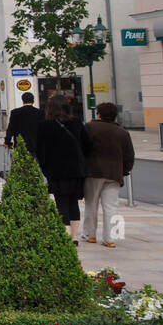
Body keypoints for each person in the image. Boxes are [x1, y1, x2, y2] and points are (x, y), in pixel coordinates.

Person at [33, 94, 93, 244]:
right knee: (74, 203)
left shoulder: (44, 126)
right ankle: (74, 237)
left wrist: (45, 167)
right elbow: (88, 145)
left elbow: (40, 150)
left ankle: (65, 237)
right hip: (76, 170)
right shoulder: (77, 122)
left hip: (56, 170)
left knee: (61, 203)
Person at [82, 102, 134, 248]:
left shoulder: (90, 127)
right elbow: (129, 155)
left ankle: (90, 234)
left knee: (91, 204)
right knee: (111, 206)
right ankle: (110, 238)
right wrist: (124, 170)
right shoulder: (122, 132)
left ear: (98, 114)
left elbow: (82, 147)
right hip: (114, 173)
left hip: (94, 171)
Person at [4, 91, 43, 160]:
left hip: (20, 145)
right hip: (35, 146)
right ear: (33, 101)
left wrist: (7, 141)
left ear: (23, 100)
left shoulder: (15, 112)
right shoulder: (40, 113)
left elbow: (11, 129)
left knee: (20, 165)